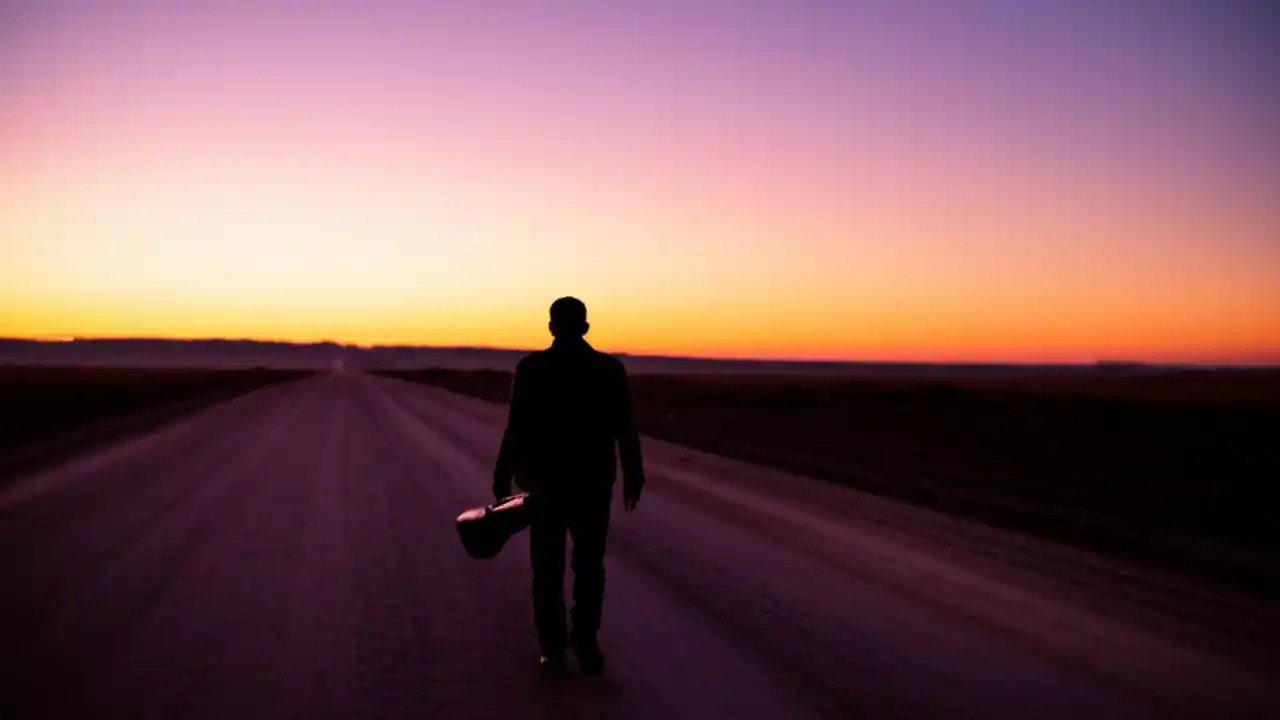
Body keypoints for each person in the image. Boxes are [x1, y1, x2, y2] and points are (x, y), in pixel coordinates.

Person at [493, 296, 645, 676]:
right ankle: (586, 642)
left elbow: (517, 426)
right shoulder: (609, 369)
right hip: (592, 481)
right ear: (586, 328)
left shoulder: (532, 368)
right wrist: (633, 472)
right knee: (589, 565)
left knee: (546, 567)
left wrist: (502, 474)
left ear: (551, 326)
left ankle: (553, 649)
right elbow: (624, 426)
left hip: (544, 482)